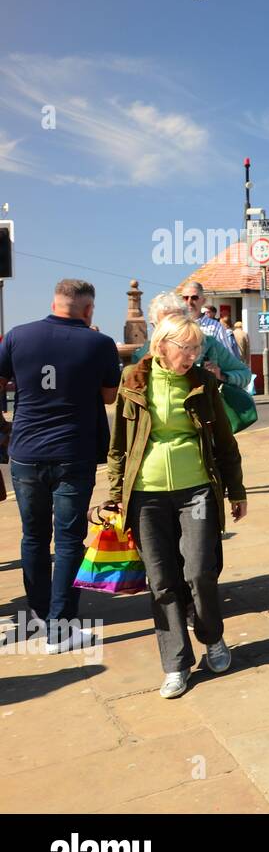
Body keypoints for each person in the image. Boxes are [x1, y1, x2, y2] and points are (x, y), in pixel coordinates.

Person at [102, 313, 246, 698]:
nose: (193, 356)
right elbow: (118, 446)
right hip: (146, 495)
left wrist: (237, 490)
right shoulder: (134, 380)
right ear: (162, 346)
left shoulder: (202, 382)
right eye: (186, 348)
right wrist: (115, 495)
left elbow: (224, 441)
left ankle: (212, 637)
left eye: (197, 348)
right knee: (162, 580)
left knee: (200, 571)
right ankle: (175, 664)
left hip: (196, 490)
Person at [0, 279, 121, 652]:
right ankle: (61, 625)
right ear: (88, 310)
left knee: (33, 536)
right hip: (74, 452)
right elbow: (110, 395)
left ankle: (37, 614)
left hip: (26, 453)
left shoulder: (17, 337)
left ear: (54, 303)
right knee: (69, 539)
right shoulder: (99, 344)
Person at [133, 293, 251, 392]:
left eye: (178, 322)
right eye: (165, 325)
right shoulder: (142, 355)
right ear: (154, 326)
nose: (172, 329)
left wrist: (222, 377)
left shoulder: (208, 344)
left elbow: (245, 374)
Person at [181, 281, 238, 357]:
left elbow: (228, 357)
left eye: (194, 298)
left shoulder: (217, 328)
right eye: (185, 298)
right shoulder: (175, 326)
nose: (189, 301)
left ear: (203, 301)